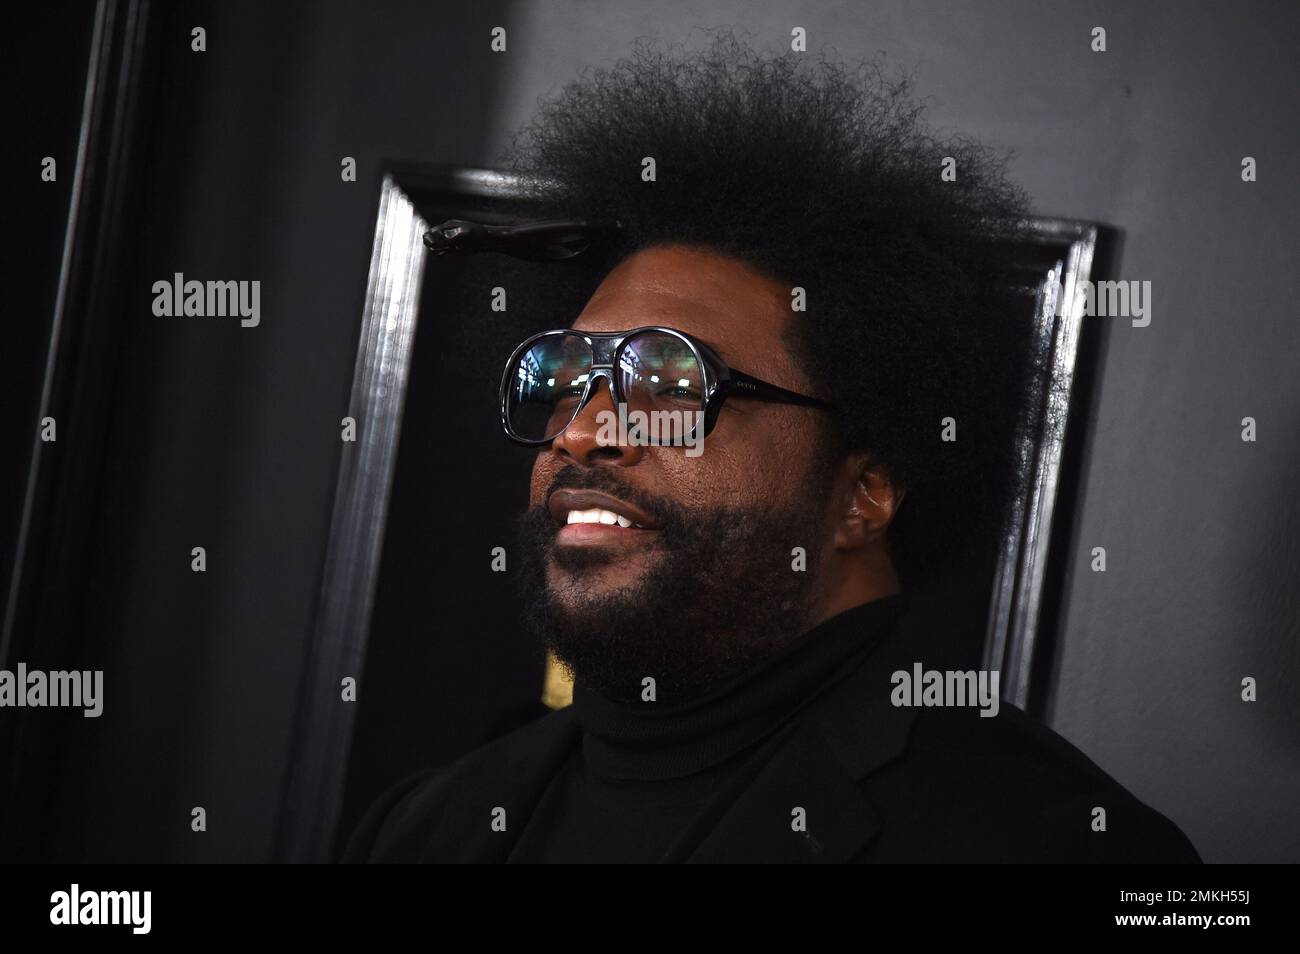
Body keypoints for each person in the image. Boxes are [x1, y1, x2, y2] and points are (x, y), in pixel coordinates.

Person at [343, 35, 1199, 863]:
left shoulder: (1061, 844)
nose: (580, 430)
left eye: (672, 384)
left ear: (864, 492)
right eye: (566, 377)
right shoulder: (426, 827)